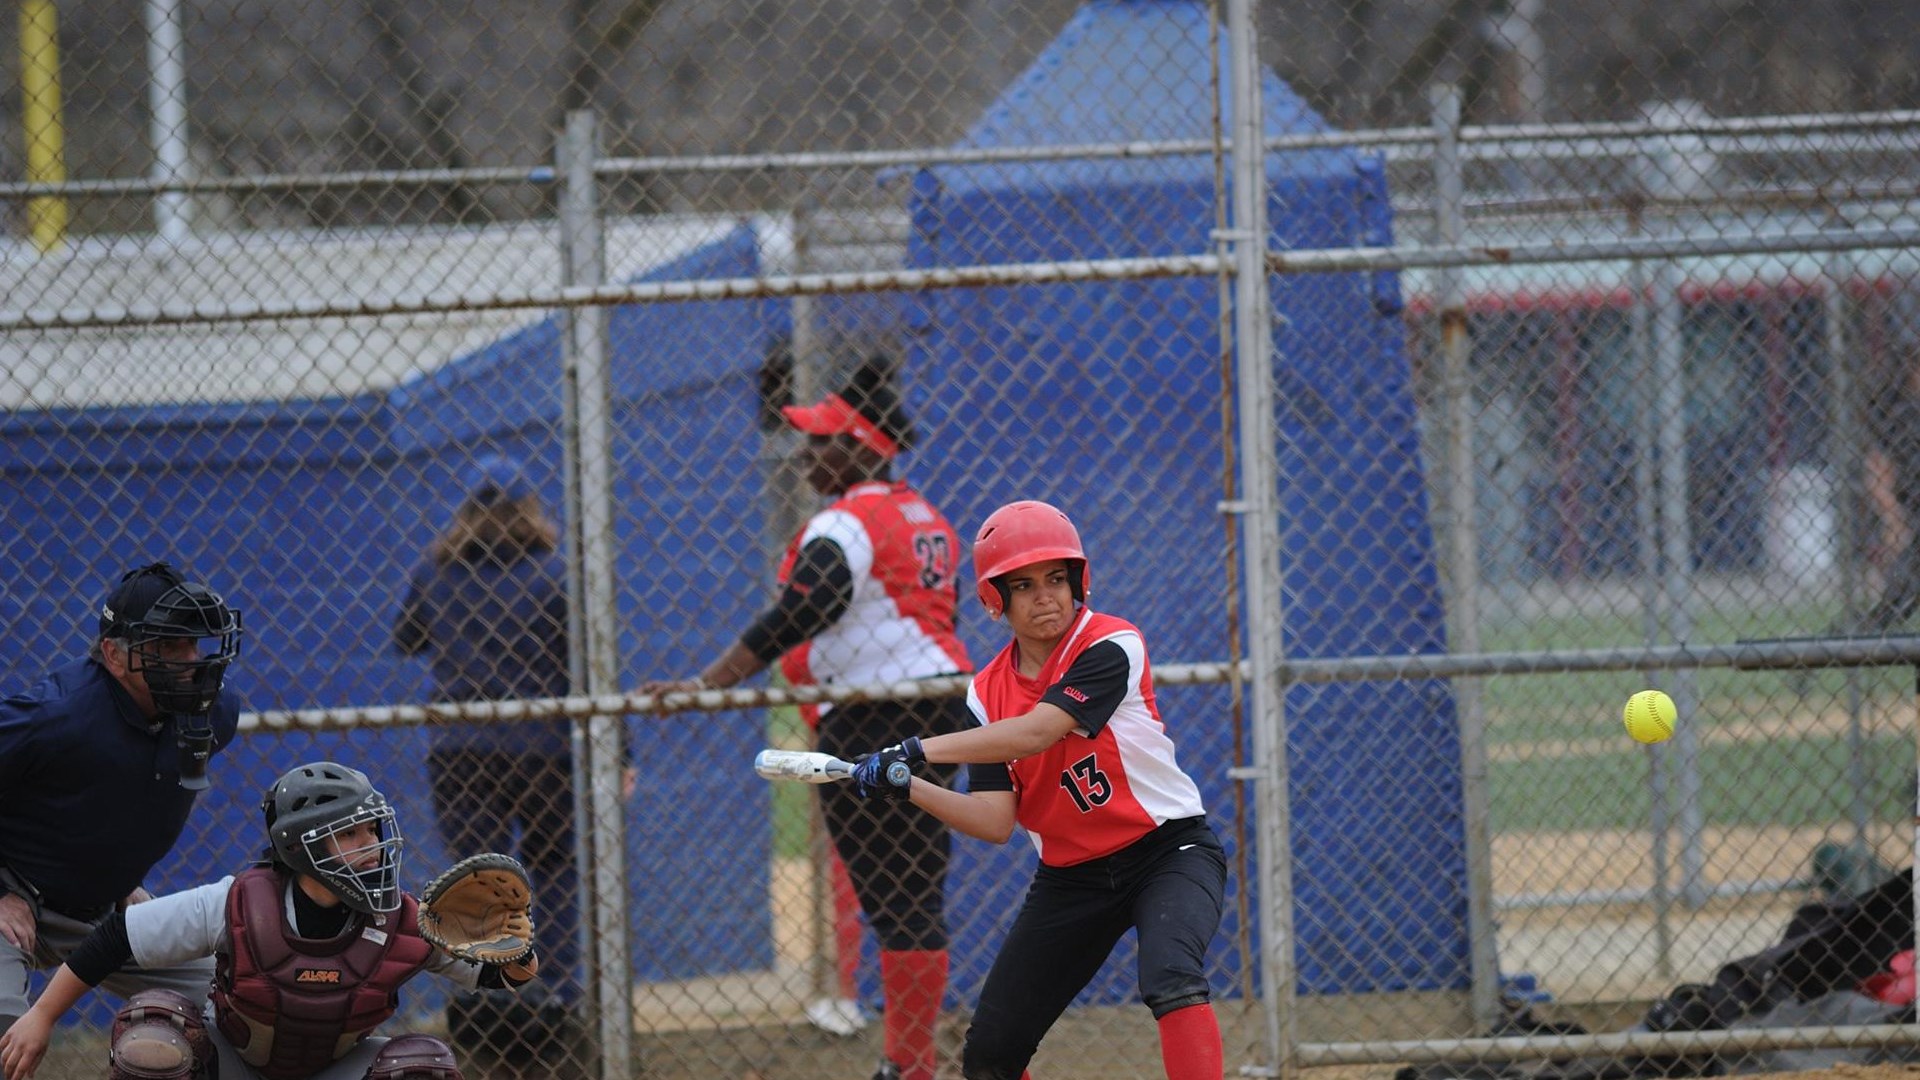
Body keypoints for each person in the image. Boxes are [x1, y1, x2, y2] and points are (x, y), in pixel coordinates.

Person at [642, 360, 973, 1080]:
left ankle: (910, 1064)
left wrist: (710, 680)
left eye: (821, 442)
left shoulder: (845, 520)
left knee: (895, 903)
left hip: (875, 718)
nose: (804, 454)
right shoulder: (922, 513)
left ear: (860, 447)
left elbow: (806, 608)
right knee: (913, 899)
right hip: (941, 711)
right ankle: (909, 1060)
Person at [847, 500, 1228, 1080]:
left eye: (1056, 578)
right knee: (992, 1051)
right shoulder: (985, 694)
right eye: (1022, 585)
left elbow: (1038, 730)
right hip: (1072, 878)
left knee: (1171, 977)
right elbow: (996, 822)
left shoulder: (1110, 643)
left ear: (1079, 582)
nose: (1045, 595)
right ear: (995, 599)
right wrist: (909, 785)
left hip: (1166, 852)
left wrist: (917, 749)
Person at [0, 760, 539, 1080]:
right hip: (236, 1058)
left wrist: (519, 951)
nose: (372, 846)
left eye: (373, 831)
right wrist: (42, 1017)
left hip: (337, 1066)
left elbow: (499, 974)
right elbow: (116, 938)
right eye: (351, 834)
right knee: (153, 1038)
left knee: (423, 1066)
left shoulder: (402, 917)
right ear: (300, 846)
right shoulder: (238, 901)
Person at [393, 453, 627, 1048]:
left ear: (467, 509)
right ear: (530, 507)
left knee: (477, 875)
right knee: (553, 870)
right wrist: (620, 750)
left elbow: (406, 638)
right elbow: (592, 668)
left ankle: (483, 1000)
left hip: (462, 750)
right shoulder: (555, 573)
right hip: (541, 749)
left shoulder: (435, 572)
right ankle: (556, 998)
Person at [0, 561, 244, 1032]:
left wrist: (118, 876)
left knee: (240, 1007)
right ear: (113, 656)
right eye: (170, 646)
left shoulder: (214, 710)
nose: (192, 661)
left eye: (195, 643)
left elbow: (126, 791)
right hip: (12, 894)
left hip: (108, 912)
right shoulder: (59, 717)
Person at [1858, 351, 1920, 631]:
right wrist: (1893, 521)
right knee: (1897, 601)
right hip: (1911, 517)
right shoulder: (1898, 413)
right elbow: (1878, 469)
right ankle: (1871, 628)